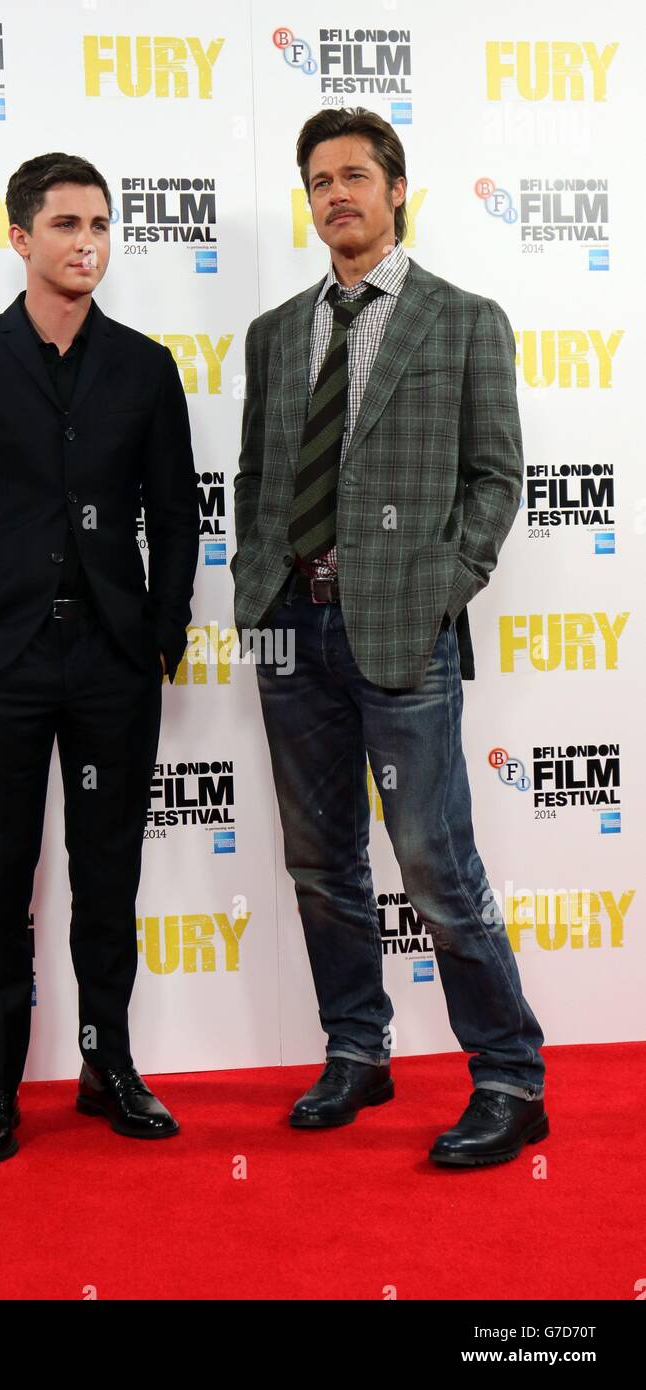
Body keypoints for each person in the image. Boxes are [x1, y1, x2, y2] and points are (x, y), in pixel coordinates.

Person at [232, 108, 547, 1166]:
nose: (336, 194)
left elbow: (495, 476)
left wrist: (438, 589)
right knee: (320, 861)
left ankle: (508, 1074)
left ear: (396, 190)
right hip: (293, 630)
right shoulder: (276, 333)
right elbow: (255, 479)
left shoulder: (462, 320)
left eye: (355, 175)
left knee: (432, 862)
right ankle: (355, 1051)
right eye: (318, 180)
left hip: (401, 635)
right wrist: (255, 590)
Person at [0, 152, 200, 1162]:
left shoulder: (144, 368)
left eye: (101, 225)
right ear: (21, 237)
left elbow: (176, 513)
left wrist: (163, 630)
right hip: (1, 661)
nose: (88, 243)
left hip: (114, 659)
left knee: (107, 872)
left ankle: (106, 1068)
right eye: (67, 225)